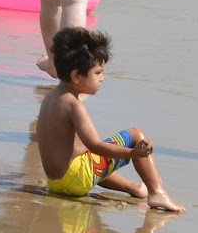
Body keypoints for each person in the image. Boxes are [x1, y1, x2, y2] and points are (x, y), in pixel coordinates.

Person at [36, 27, 184, 213]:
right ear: (76, 75)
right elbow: (96, 146)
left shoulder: (51, 98)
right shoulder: (75, 106)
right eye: (97, 73)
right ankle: (157, 192)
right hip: (75, 180)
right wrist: (133, 153)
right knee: (136, 135)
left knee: (85, 154)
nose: (102, 78)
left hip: (56, 182)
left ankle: (133, 188)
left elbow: (71, 147)